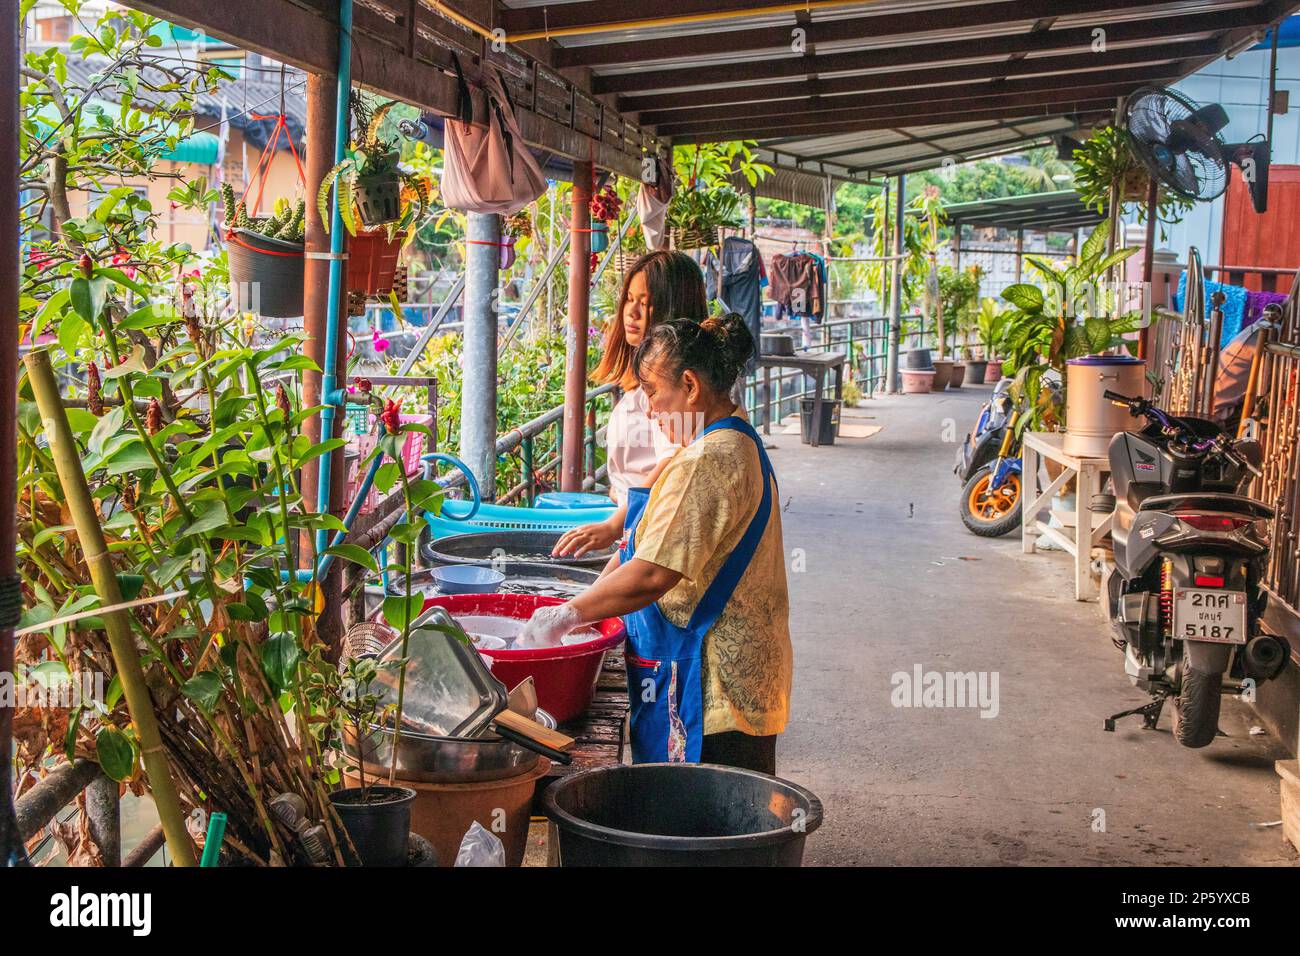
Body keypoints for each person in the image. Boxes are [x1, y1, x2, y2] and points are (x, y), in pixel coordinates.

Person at [521, 313, 792, 774]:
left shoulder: (707, 461)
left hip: (711, 691)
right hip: (742, 681)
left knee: (703, 829)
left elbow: (650, 573)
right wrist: (586, 606)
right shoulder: (728, 438)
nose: (648, 409)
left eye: (651, 392)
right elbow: (636, 549)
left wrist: (566, 616)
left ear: (689, 385)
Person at [551, 251, 708, 559]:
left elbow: (672, 462)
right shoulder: (646, 377)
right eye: (629, 299)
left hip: (646, 531)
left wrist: (612, 524)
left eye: (646, 303)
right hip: (632, 522)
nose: (632, 313)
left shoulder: (675, 385)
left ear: (672, 307)